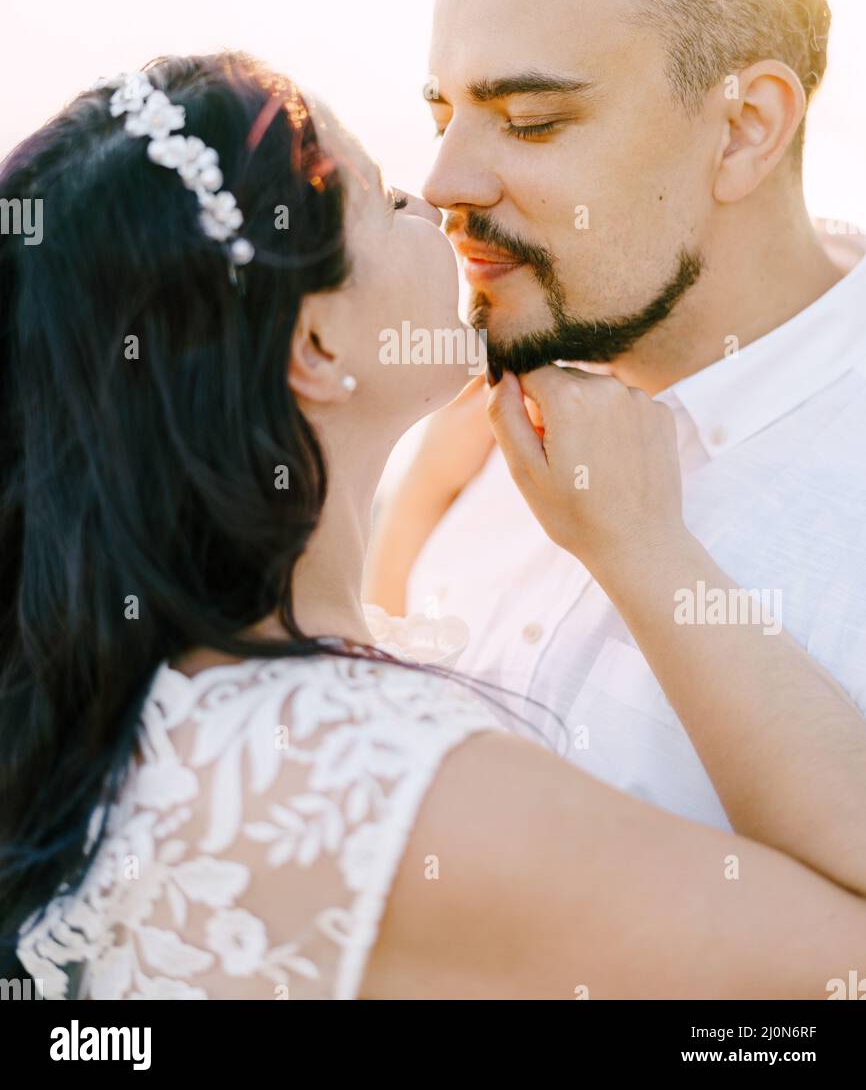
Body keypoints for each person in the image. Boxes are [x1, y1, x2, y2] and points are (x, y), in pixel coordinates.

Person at [4, 51, 866, 1001]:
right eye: (380, 196)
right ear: (317, 347)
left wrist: (414, 500)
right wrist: (645, 547)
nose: (438, 196)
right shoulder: (369, 779)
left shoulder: (161, 706)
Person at [367, 0, 866, 828]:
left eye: (529, 122)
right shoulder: (462, 429)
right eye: (442, 115)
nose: (444, 180)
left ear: (742, 129)